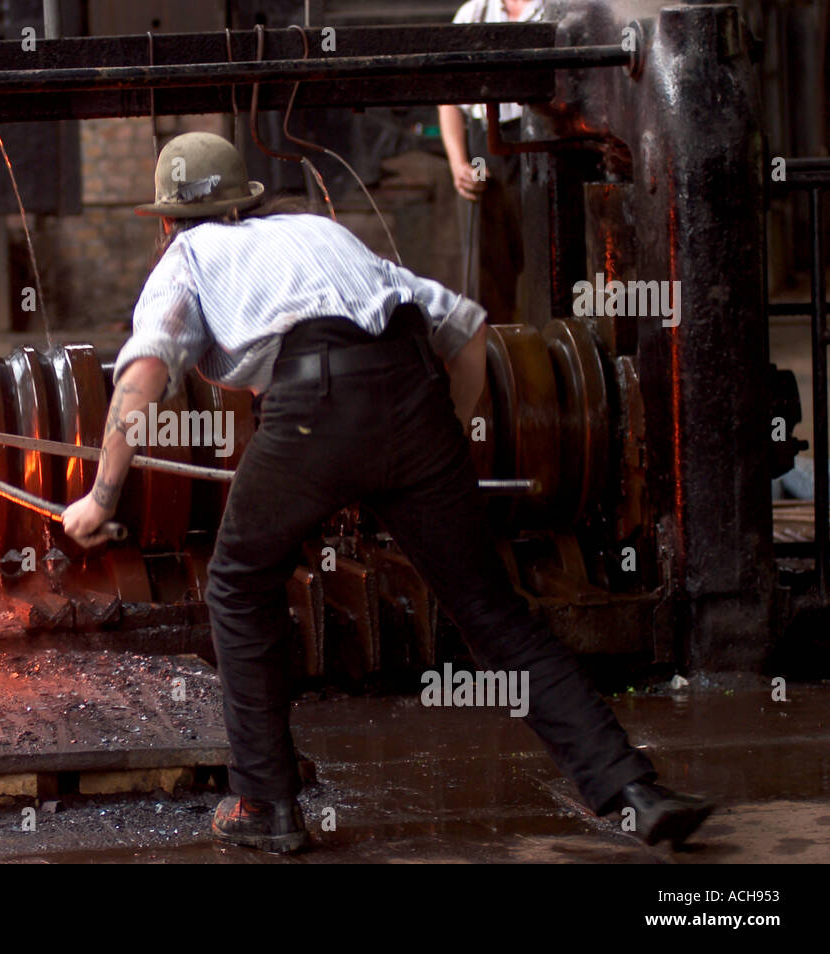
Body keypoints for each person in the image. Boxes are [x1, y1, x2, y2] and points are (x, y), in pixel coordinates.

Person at [61, 131, 713, 854]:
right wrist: (439, 441)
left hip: (312, 408)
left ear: (165, 221)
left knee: (240, 585)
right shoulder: (316, 229)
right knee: (493, 611)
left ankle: (265, 805)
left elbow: (142, 377)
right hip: (415, 398)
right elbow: (466, 328)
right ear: (244, 203)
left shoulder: (185, 257)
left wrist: (103, 495)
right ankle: (633, 792)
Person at [438, 0, 543, 325]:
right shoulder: (473, 14)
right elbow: (448, 99)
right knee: (486, 275)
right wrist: (458, 163)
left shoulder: (559, 8)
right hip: (483, 152)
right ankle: (495, 360)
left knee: (546, 266)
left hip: (541, 147)